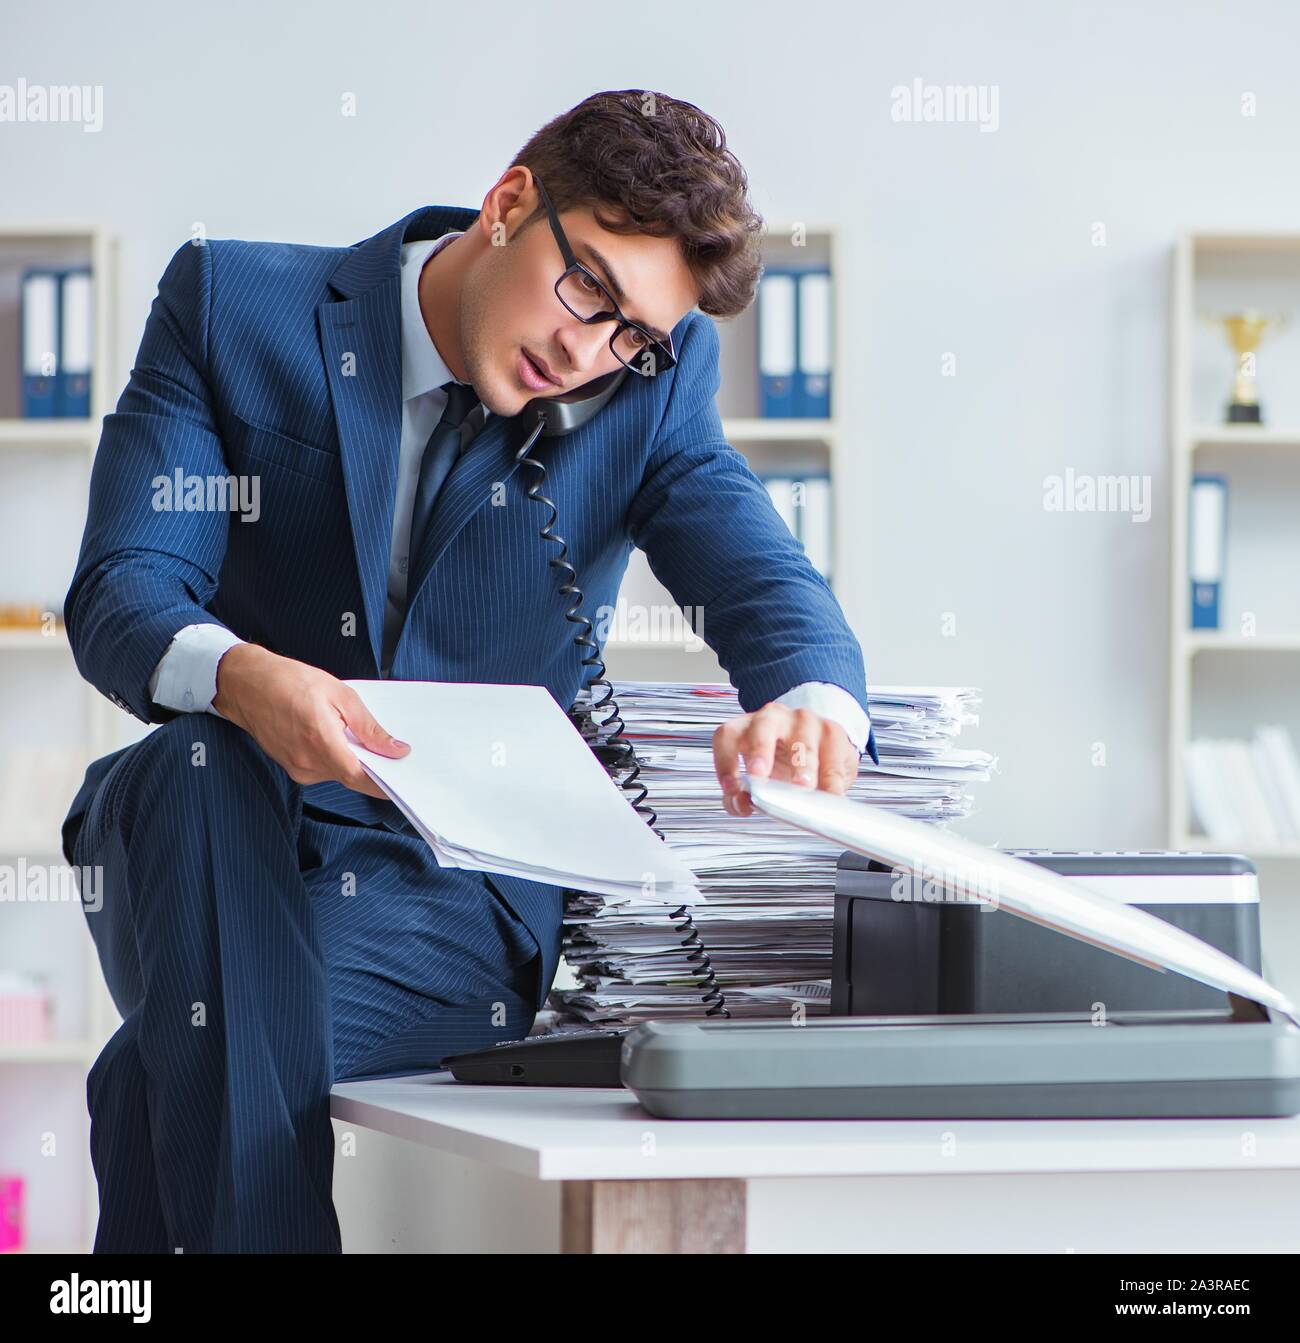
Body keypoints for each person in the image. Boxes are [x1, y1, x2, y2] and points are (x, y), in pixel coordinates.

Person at [60, 88, 880, 1253]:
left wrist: (808, 692)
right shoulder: (230, 304)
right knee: (195, 759)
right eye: (586, 288)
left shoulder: (645, 387)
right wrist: (247, 678)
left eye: (628, 335)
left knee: (160, 1070)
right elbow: (122, 589)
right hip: (198, 835)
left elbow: (755, 564)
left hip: (443, 888)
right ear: (507, 204)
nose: (586, 352)